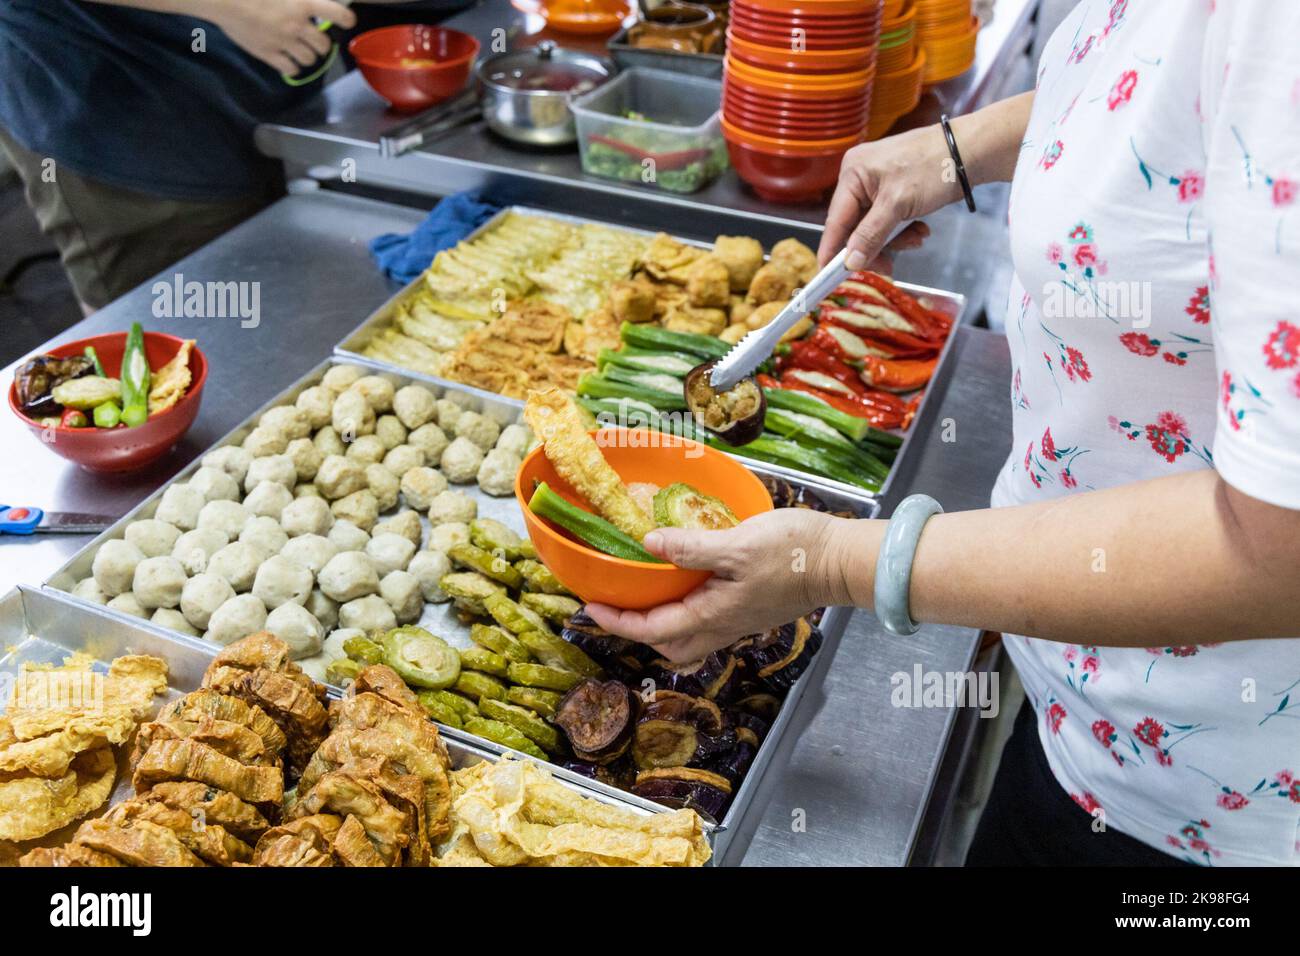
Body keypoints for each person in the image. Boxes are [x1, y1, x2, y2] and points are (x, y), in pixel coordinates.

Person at [587, 0, 1300, 867]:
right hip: (1097, 711)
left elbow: (1277, 551)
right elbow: (1171, 91)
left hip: (1212, 809)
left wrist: (836, 562)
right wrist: (964, 146)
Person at [0, 0, 425, 313]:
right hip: (119, 112)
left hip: (255, 91)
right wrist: (232, 7)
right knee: (173, 341)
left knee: (282, 307)